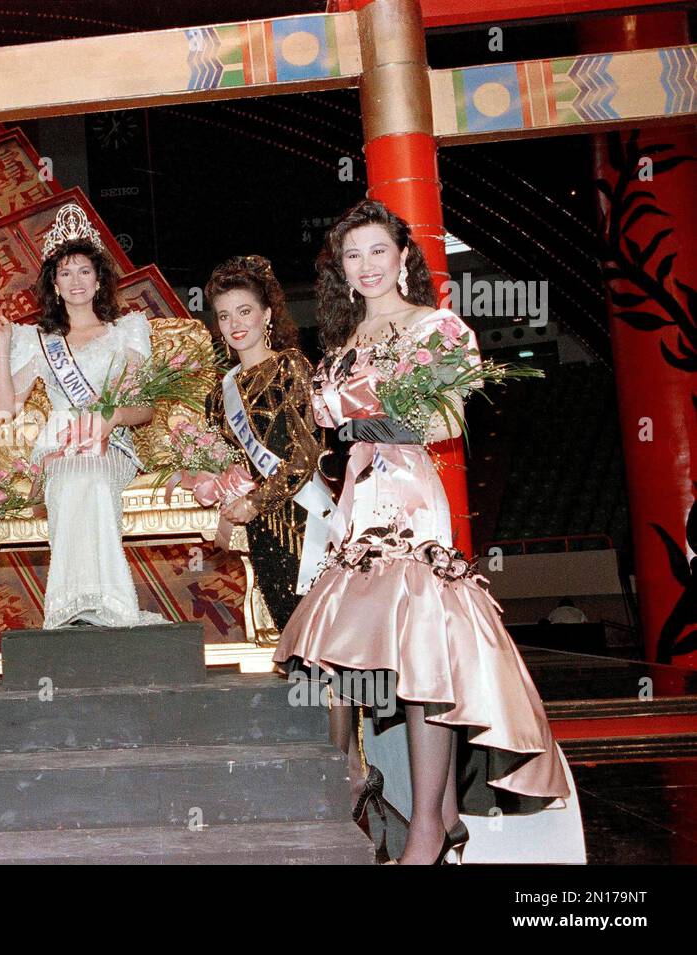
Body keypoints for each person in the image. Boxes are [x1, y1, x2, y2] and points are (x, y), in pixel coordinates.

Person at [274, 199, 571, 864]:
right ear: (342, 270)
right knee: (363, 656)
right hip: (358, 503)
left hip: (408, 498)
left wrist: (373, 423)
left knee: (424, 655)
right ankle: (424, 808)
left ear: (403, 257)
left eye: (378, 250)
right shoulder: (344, 341)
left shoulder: (436, 327)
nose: (367, 264)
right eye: (353, 255)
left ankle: (429, 831)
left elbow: (442, 425)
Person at [0, 202, 164, 629]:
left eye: (84, 271)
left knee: (94, 478)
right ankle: (69, 607)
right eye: (65, 272)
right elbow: (7, 408)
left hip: (111, 443)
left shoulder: (126, 333)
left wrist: (111, 418)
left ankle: (108, 605)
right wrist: (4, 345)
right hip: (59, 444)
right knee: (69, 478)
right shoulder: (41, 341)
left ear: (98, 279)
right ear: (54, 285)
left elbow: (145, 408)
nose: (75, 280)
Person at [202, 255, 326, 633]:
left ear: (267, 314)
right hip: (260, 529)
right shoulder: (217, 396)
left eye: (244, 311)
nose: (235, 324)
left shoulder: (290, 368)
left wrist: (255, 502)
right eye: (224, 316)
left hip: (302, 519)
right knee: (288, 633)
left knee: (319, 628)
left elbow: (308, 455)